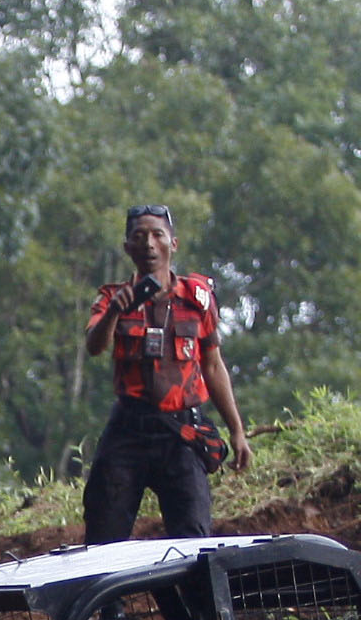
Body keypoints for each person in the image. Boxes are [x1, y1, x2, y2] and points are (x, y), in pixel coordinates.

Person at [80, 204, 251, 545]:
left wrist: (237, 431)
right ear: (128, 247)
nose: (149, 244)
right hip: (129, 430)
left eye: (157, 235)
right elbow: (95, 346)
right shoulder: (112, 297)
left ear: (174, 244)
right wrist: (117, 310)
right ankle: (108, 601)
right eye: (139, 237)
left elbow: (213, 366)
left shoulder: (197, 298)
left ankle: (184, 601)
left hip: (181, 432)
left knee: (193, 537)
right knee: (103, 535)